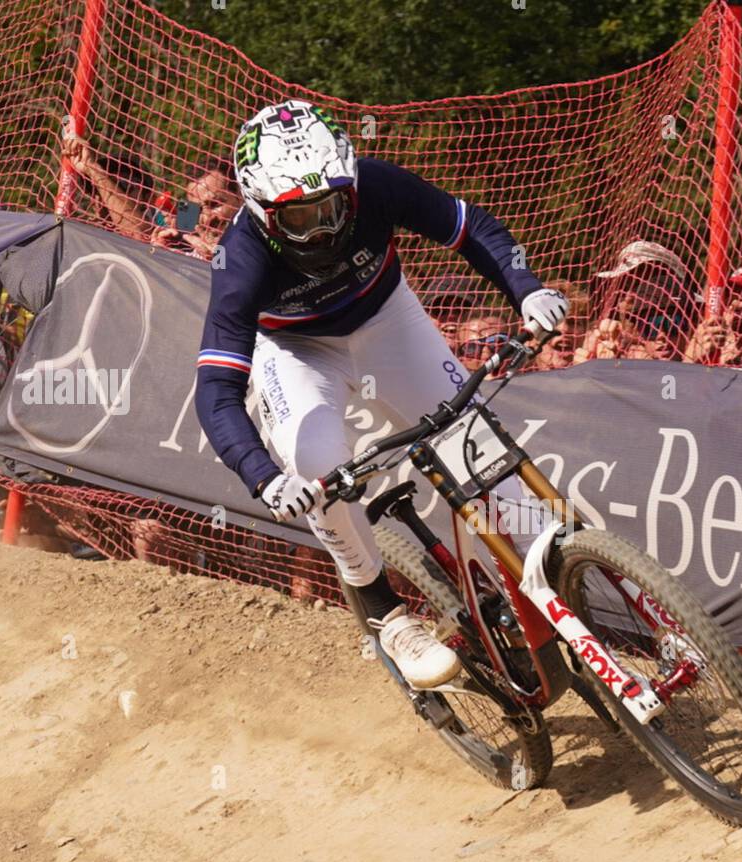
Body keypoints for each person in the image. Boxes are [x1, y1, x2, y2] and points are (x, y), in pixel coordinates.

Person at [195, 99, 567, 688]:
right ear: (264, 214)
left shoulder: (375, 182)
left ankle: (566, 589)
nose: (321, 228)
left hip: (388, 320)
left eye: (332, 206)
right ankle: (384, 613)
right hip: (296, 352)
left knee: (472, 446)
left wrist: (526, 289)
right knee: (317, 463)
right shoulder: (239, 262)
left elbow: (471, 227)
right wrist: (265, 478)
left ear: (349, 183)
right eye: (298, 219)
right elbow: (215, 389)